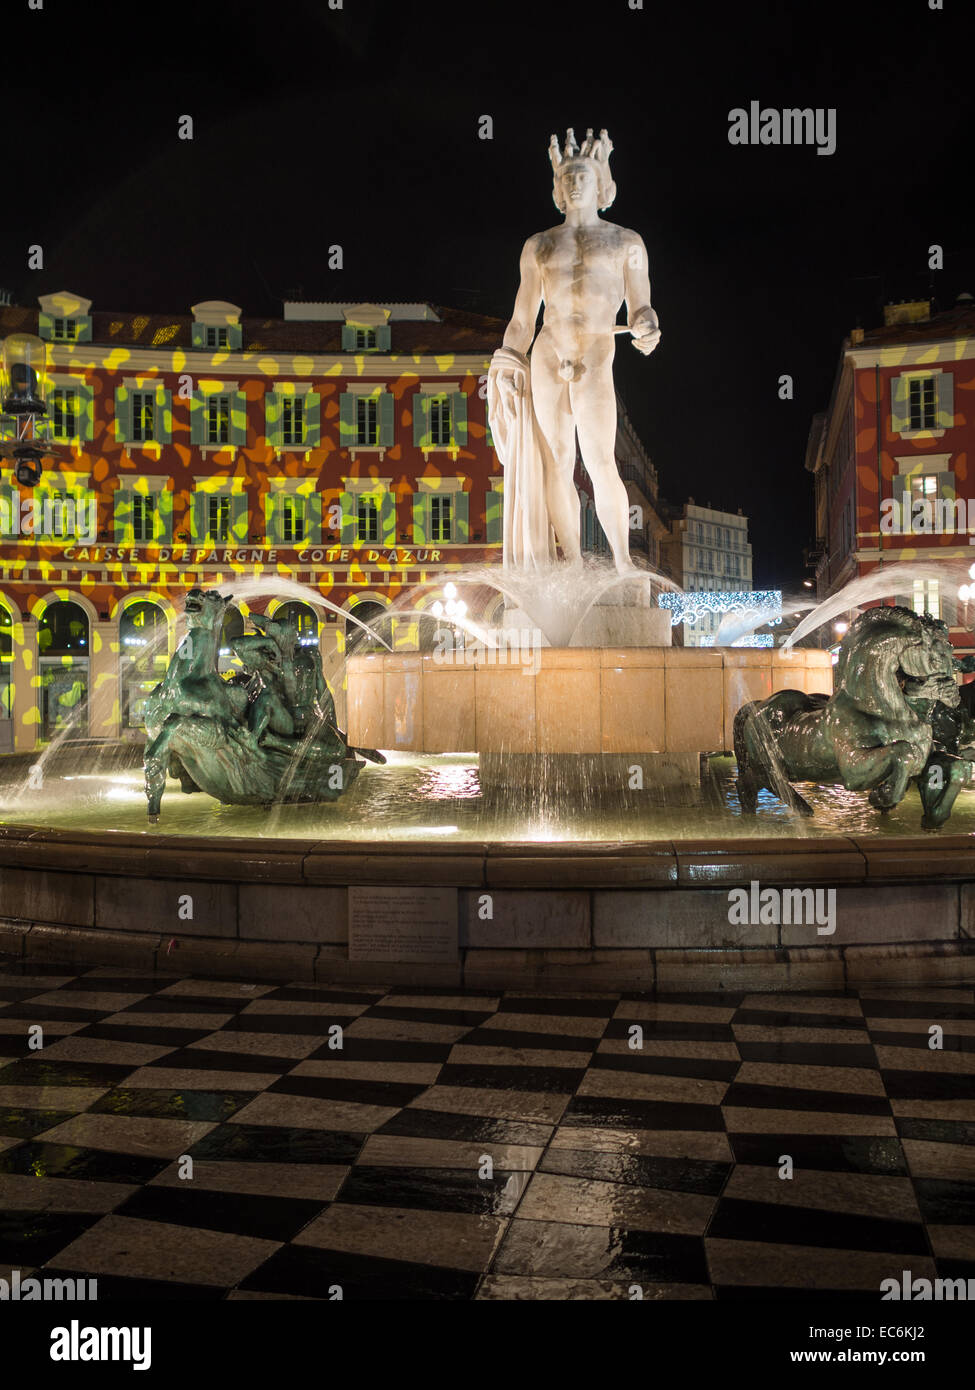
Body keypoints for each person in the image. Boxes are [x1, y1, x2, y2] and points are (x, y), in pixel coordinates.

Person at [489, 128, 660, 574]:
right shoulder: (539, 246)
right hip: (548, 354)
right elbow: (524, 318)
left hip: (596, 356)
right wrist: (507, 359)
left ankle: (624, 566)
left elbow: (642, 306)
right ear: (558, 190)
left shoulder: (628, 243)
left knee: (602, 460)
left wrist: (647, 327)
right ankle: (572, 565)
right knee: (557, 465)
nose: (574, 183)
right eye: (566, 177)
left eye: (582, 174)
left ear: (602, 182)